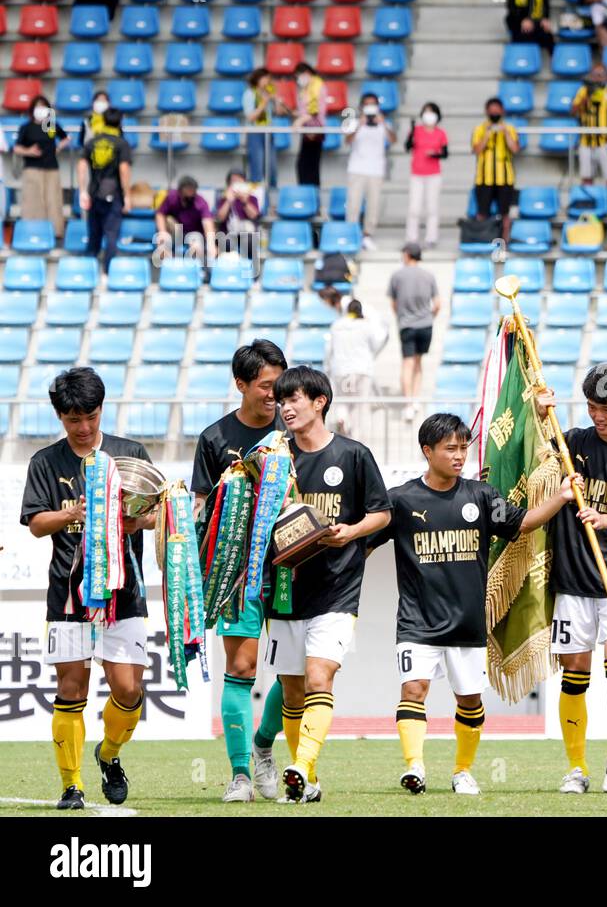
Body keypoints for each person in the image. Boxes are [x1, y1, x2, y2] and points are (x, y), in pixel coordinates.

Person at [369, 413, 576, 795]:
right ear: (427, 451)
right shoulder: (399, 500)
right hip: (418, 622)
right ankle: (415, 767)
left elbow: (524, 523)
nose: (460, 455)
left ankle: (462, 771)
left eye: (464, 447)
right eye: (450, 448)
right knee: (413, 690)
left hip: (467, 623)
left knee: (470, 700)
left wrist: (561, 497)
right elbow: (364, 544)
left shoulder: (481, 495)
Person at [20, 367, 157, 810]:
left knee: (128, 690)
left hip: (124, 591)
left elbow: (155, 512)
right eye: (73, 419)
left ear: (102, 410)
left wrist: (132, 518)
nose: (83, 427)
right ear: (60, 416)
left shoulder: (129, 453)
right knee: (71, 688)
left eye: (91, 417)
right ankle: (71, 785)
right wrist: (78, 512)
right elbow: (38, 523)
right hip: (69, 592)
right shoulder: (46, 462)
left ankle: (109, 755)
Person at [268, 366, 392, 803]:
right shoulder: (273, 461)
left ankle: (300, 766)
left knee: (321, 677)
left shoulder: (354, 455)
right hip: (285, 588)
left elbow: (382, 513)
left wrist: (351, 532)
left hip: (338, 589)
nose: (285, 408)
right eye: (281, 401)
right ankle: (309, 780)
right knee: (291, 687)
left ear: (319, 401)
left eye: (293, 399)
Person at [533, 364, 607, 796]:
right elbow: (535, 449)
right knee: (574, 675)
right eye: (592, 407)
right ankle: (576, 766)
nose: (598, 416)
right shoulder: (572, 441)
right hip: (573, 580)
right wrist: (540, 414)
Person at [190, 340, 288, 804]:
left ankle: (264, 744)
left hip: (291, 565)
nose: (275, 396)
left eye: (280, 386)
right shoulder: (214, 439)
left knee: (297, 676)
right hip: (236, 572)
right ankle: (241, 774)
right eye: (267, 387)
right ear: (242, 385)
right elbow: (199, 509)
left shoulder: (296, 431)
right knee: (242, 666)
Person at [388, 243, 441, 421]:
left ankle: (408, 403)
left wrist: (402, 316)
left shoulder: (397, 275)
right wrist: (429, 317)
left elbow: (393, 304)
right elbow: (437, 304)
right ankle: (415, 399)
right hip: (426, 324)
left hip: (407, 325)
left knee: (407, 364)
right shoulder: (429, 275)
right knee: (418, 362)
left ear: (408, 254)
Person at [324, 299, 388, 438]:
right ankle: (357, 437)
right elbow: (376, 344)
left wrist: (328, 366)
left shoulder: (337, 325)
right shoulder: (366, 326)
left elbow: (329, 349)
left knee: (343, 400)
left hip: (340, 369)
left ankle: (342, 419)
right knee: (360, 405)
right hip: (362, 369)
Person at [78, 107, 132, 271]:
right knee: (111, 234)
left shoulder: (92, 142)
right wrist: (127, 196)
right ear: (120, 122)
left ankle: (88, 272)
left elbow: (81, 166)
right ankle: (108, 272)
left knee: (94, 235)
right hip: (113, 194)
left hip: (94, 193)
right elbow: (124, 170)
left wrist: (83, 191)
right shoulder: (121, 143)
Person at [13, 96, 70, 239]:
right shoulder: (26, 127)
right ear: (32, 110)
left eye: (43, 106)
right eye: (38, 106)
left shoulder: (50, 125)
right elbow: (17, 148)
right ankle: (32, 232)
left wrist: (58, 148)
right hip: (32, 168)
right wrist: (29, 151)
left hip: (51, 167)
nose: (41, 109)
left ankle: (56, 233)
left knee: (53, 200)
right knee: (33, 201)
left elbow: (66, 138)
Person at [345, 92, 394, 252]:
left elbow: (393, 140)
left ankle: (367, 236)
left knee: (373, 206)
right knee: (353, 205)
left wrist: (384, 124)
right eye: (367, 104)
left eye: (373, 104)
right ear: (362, 106)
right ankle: (351, 236)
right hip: (357, 169)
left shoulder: (383, 122)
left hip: (376, 170)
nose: (370, 107)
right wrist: (360, 125)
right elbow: (347, 141)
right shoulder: (354, 121)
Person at [572, 64, 607, 190]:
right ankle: (589, 205)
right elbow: (573, 111)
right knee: (586, 177)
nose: (598, 78)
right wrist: (586, 97)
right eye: (595, 75)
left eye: (601, 75)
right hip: (587, 141)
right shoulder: (583, 91)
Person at [471, 98, 519, 241]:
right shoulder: (480, 129)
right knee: (482, 213)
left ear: (502, 111)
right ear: (487, 112)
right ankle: (482, 239)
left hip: (505, 178)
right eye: (492, 110)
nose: (494, 113)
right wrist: (487, 135)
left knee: (505, 214)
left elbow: (515, 149)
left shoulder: (509, 128)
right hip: (484, 178)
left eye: (497, 110)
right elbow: (476, 150)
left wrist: (505, 134)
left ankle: (504, 243)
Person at [405, 102, 448, 248]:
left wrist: (435, 154)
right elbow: (407, 147)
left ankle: (431, 238)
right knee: (414, 208)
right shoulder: (416, 130)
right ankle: (412, 238)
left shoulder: (441, 133)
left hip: (433, 174)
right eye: (426, 112)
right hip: (417, 174)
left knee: (432, 207)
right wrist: (411, 132)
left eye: (431, 112)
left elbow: (445, 153)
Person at [155, 175, 217, 264]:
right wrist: (163, 232)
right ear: (180, 191)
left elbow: (208, 223)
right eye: (187, 189)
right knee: (162, 244)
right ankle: (169, 268)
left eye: (192, 190)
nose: (190, 192)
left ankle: (198, 272)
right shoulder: (172, 198)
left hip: (194, 234)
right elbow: (160, 214)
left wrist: (211, 244)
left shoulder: (200, 203)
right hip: (176, 231)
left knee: (197, 247)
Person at [243, 69, 283, 190]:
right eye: (265, 78)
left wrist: (276, 101)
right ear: (258, 79)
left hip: (268, 132)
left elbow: (279, 113)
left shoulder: (268, 94)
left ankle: (272, 194)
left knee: (272, 168)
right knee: (257, 167)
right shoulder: (249, 94)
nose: (267, 81)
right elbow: (250, 117)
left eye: (268, 79)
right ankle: (257, 197)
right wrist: (263, 103)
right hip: (255, 133)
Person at [293, 63, 326, 187]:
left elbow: (314, 111)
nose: (298, 79)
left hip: (314, 130)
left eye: (298, 76)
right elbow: (306, 109)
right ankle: (307, 194)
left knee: (308, 167)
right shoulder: (307, 87)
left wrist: (299, 121)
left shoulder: (316, 85)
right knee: (305, 167)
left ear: (306, 73)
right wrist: (299, 115)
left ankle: (312, 198)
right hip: (307, 130)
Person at [214, 169, 261, 256]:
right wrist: (228, 201)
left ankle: (248, 267)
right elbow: (220, 218)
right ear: (229, 184)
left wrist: (245, 202)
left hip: (246, 232)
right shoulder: (223, 199)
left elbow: (254, 215)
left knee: (249, 243)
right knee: (225, 243)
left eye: (239, 181)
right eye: (234, 181)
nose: (237, 183)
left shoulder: (252, 198)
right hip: (228, 232)